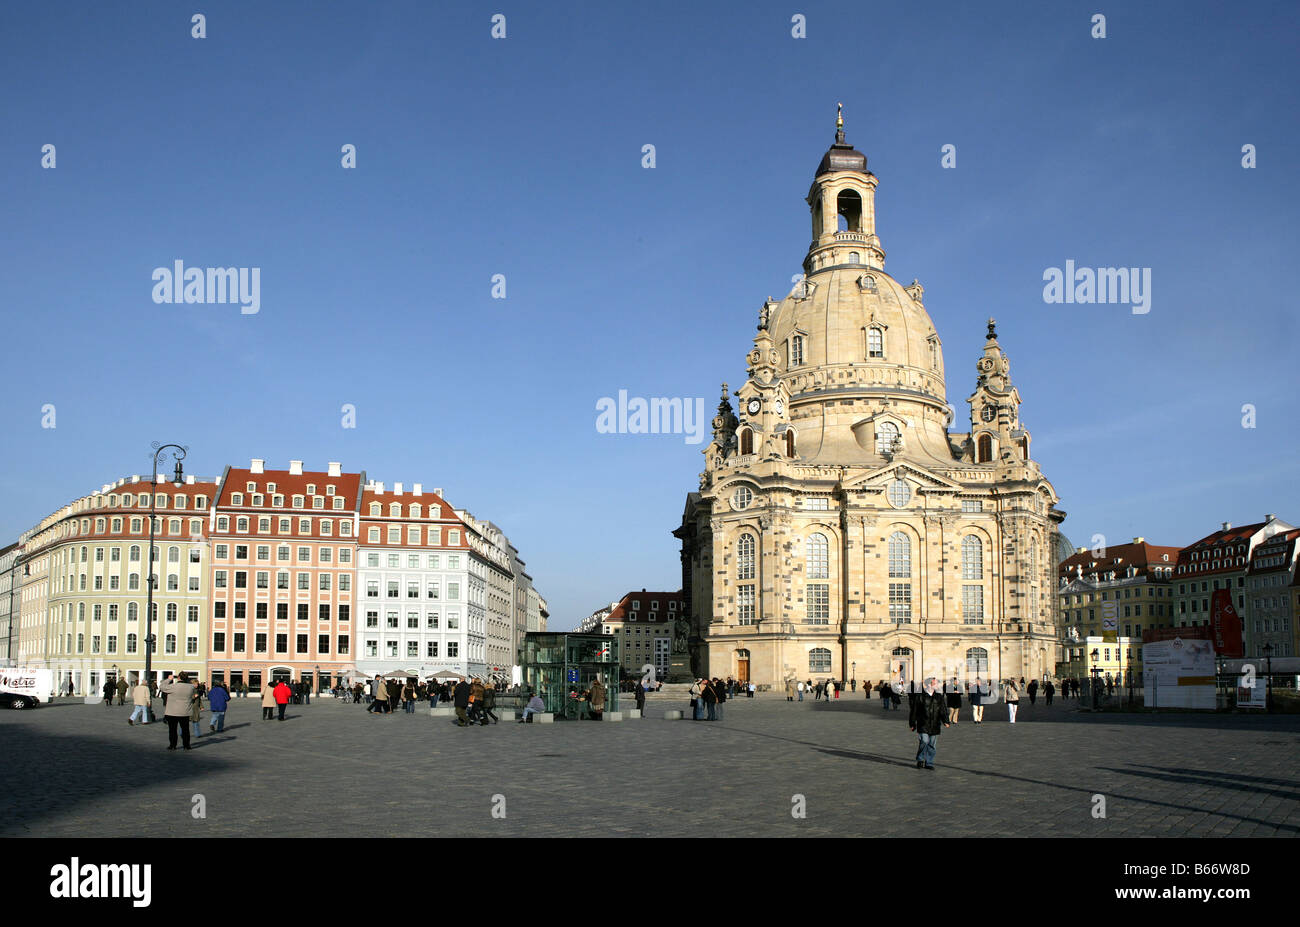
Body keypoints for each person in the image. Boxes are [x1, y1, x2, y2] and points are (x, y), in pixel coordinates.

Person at [908, 676, 949, 770]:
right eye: (935, 683)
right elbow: (914, 711)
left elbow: (943, 710)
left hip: (935, 724)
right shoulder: (920, 696)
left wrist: (945, 720)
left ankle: (929, 762)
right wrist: (912, 723)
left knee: (932, 745)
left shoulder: (939, 697)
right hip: (923, 723)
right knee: (924, 741)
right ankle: (920, 759)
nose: (937, 685)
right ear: (927, 685)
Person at [159, 672, 196, 750]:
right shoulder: (191, 687)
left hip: (172, 712)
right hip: (185, 712)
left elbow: (162, 687)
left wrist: (169, 679)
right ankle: (186, 745)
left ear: (178, 677)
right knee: (185, 730)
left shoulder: (173, 686)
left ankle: (173, 745)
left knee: (172, 730)